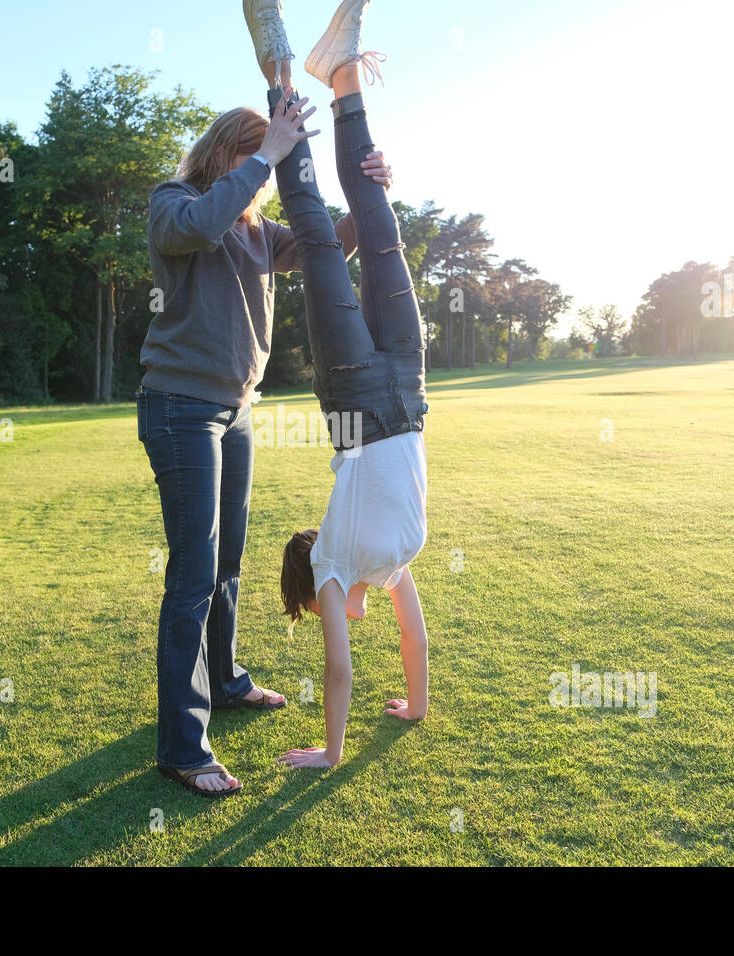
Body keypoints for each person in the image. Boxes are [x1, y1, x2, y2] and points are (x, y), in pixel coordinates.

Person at [137, 0, 396, 797]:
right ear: (229, 153)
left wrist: (373, 188)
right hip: (181, 408)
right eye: (262, 158)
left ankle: (224, 679)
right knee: (191, 572)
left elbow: (325, 240)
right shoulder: (175, 204)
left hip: (236, 409)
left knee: (228, 564)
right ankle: (183, 746)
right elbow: (203, 221)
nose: (274, 175)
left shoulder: (255, 229)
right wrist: (270, 149)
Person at [270, 0, 432, 771]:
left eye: (315, 612)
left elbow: (340, 672)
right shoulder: (393, 565)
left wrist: (329, 755)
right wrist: (418, 704)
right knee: (379, 217)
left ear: (311, 593)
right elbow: (412, 636)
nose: (336, 619)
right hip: (408, 388)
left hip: (359, 408)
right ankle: (341, 76)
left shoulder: (336, 564)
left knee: (317, 242)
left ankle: (277, 68)